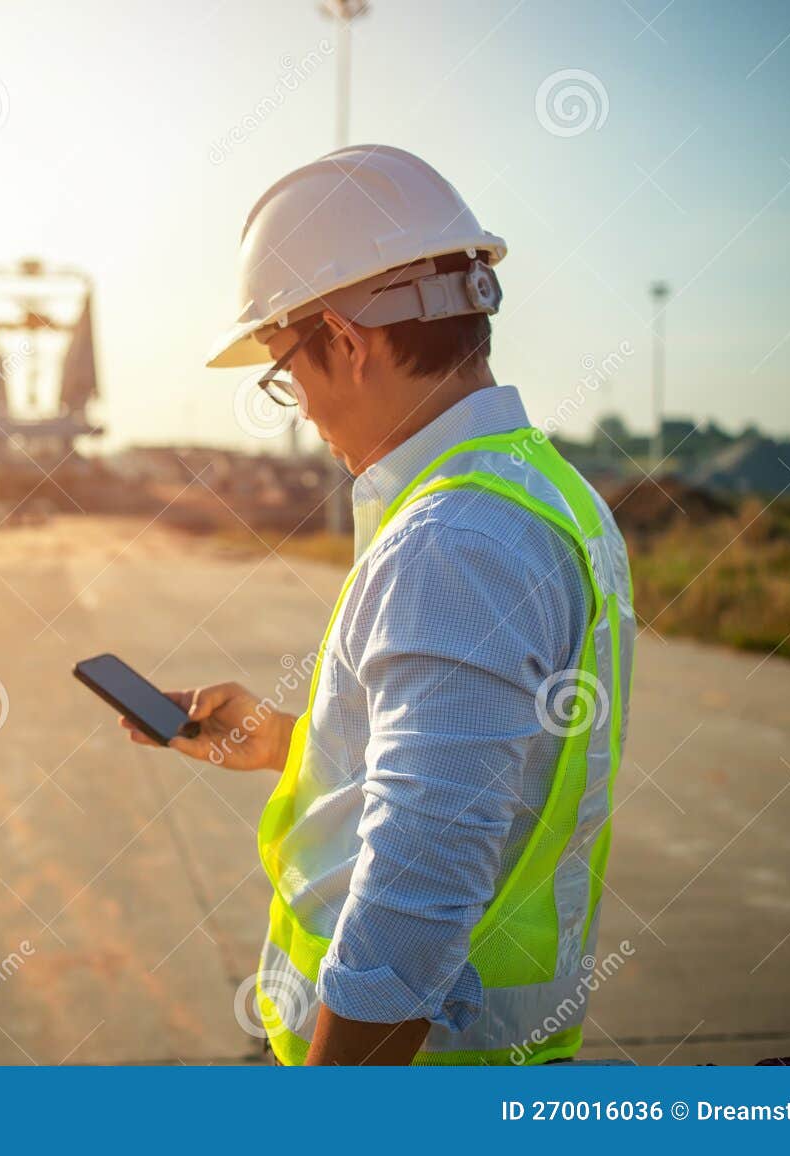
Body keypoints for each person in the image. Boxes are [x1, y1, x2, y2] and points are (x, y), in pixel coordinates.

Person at [122, 146, 635, 1065]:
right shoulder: (539, 491)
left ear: (348, 344)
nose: (301, 411)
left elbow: (417, 903)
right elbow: (470, 762)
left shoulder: (456, 541)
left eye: (286, 373)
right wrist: (279, 738)